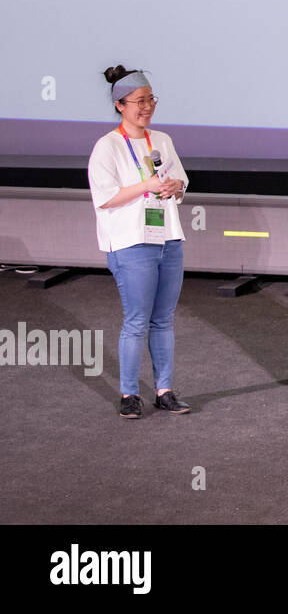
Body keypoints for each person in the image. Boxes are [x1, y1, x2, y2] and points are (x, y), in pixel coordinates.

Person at [87, 66, 191, 419]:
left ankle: (165, 390)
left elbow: (181, 181)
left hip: (169, 238)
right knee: (137, 320)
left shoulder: (161, 140)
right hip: (131, 243)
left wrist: (176, 186)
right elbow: (105, 197)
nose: (146, 107)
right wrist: (147, 185)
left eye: (151, 100)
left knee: (164, 319)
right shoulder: (108, 146)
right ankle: (129, 394)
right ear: (120, 105)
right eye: (139, 101)